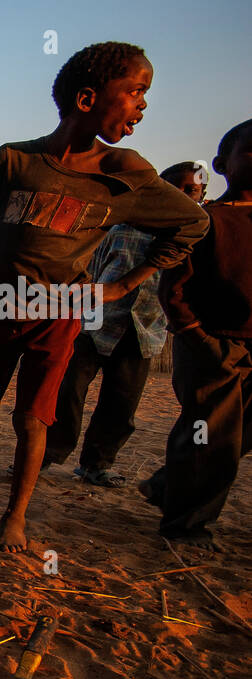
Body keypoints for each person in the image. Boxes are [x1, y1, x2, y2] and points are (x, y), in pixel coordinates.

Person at [0, 42, 208, 551]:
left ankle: (14, 519)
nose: (144, 104)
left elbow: (192, 222)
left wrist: (122, 284)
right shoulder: (14, 160)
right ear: (87, 98)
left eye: (145, 94)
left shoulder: (124, 173)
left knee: (33, 419)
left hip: (61, 313)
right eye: (136, 91)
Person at [44, 162, 206, 485]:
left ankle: (96, 464)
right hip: (95, 323)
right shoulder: (123, 227)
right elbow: (93, 265)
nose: (183, 195)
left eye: (192, 190)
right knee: (68, 393)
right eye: (175, 187)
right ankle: (46, 455)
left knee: (121, 404)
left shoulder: (194, 241)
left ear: (202, 195)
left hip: (145, 331)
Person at [141, 119, 252, 549]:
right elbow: (176, 287)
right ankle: (185, 527)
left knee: (236, 435)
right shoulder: (205, 221)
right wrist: (199, 338)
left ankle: (169, 486)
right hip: (213, 343)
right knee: (210, 437)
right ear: (223, 164)